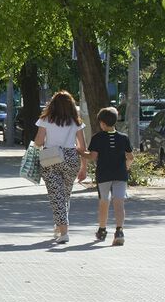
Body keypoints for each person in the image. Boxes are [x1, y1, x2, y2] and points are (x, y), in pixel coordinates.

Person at [32, 89, 87, 247]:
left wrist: (36, 149)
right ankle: (59, 226)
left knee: (56, 195)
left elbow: (39, 141)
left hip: (50, 157)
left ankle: (64, 232)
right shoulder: (76, 122)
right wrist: (84, 168)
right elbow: (82, 147)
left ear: (53, 105)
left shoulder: (46, 119)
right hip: (71, 157)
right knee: (65, 195)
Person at [89, 105, 130, 246]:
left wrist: (80, 152)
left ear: (102, 123)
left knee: (104, 201)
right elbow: (130, 157)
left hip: (103, 174)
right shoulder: (123, 138)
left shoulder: (97, 138)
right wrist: (126, 168)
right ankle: (119, 231)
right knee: (119, 202)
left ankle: (102, 229)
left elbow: (92, 156)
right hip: (121, 174)